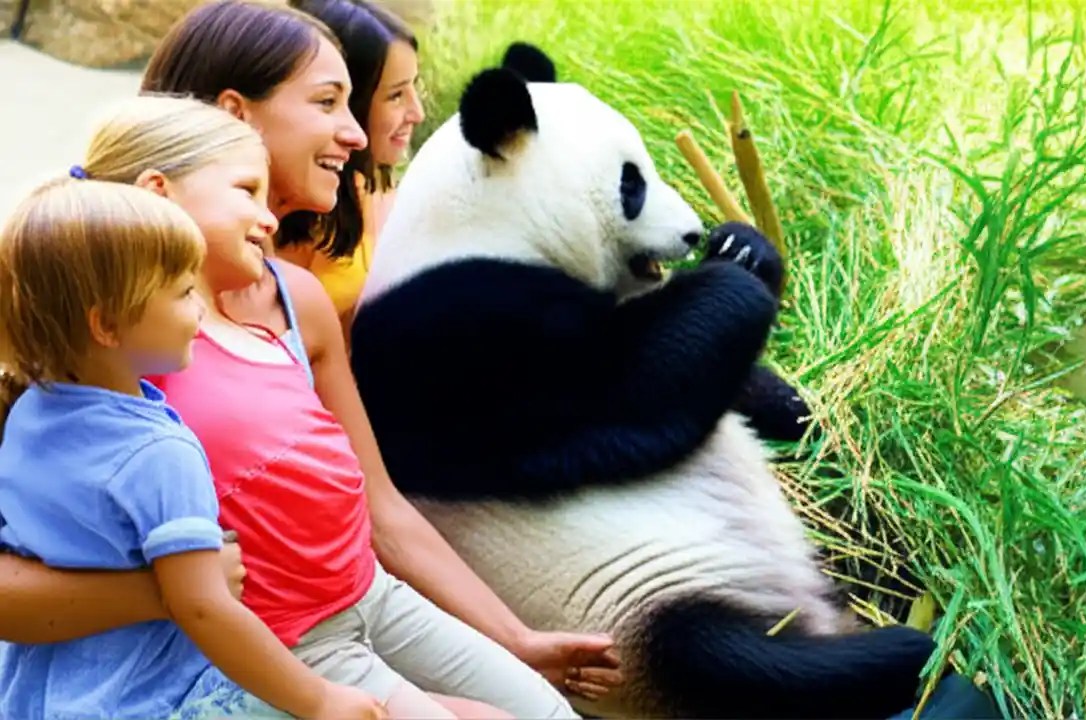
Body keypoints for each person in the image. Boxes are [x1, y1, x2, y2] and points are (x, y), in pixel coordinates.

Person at [140, 0, 621, 704]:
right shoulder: (116, 321)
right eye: (330, 102)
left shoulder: (297, 298)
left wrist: (513, 638)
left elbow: (379, 503)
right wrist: (174, 592)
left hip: (364, 593)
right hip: (255, 653)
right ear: (236, 113)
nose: (356, 131)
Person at [0, 174, 383, 719]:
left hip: (47, 695)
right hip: (160, 698)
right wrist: (320, 699)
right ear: (107, 324)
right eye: (183, 292)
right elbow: (204, 607)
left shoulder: (33, 411)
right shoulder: (158, 452)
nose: (200, 310)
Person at [276, 0, 426, 342]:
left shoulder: (371, 189)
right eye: (395, 96)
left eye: (415, 88)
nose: (416, 112)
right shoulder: (294, 206)